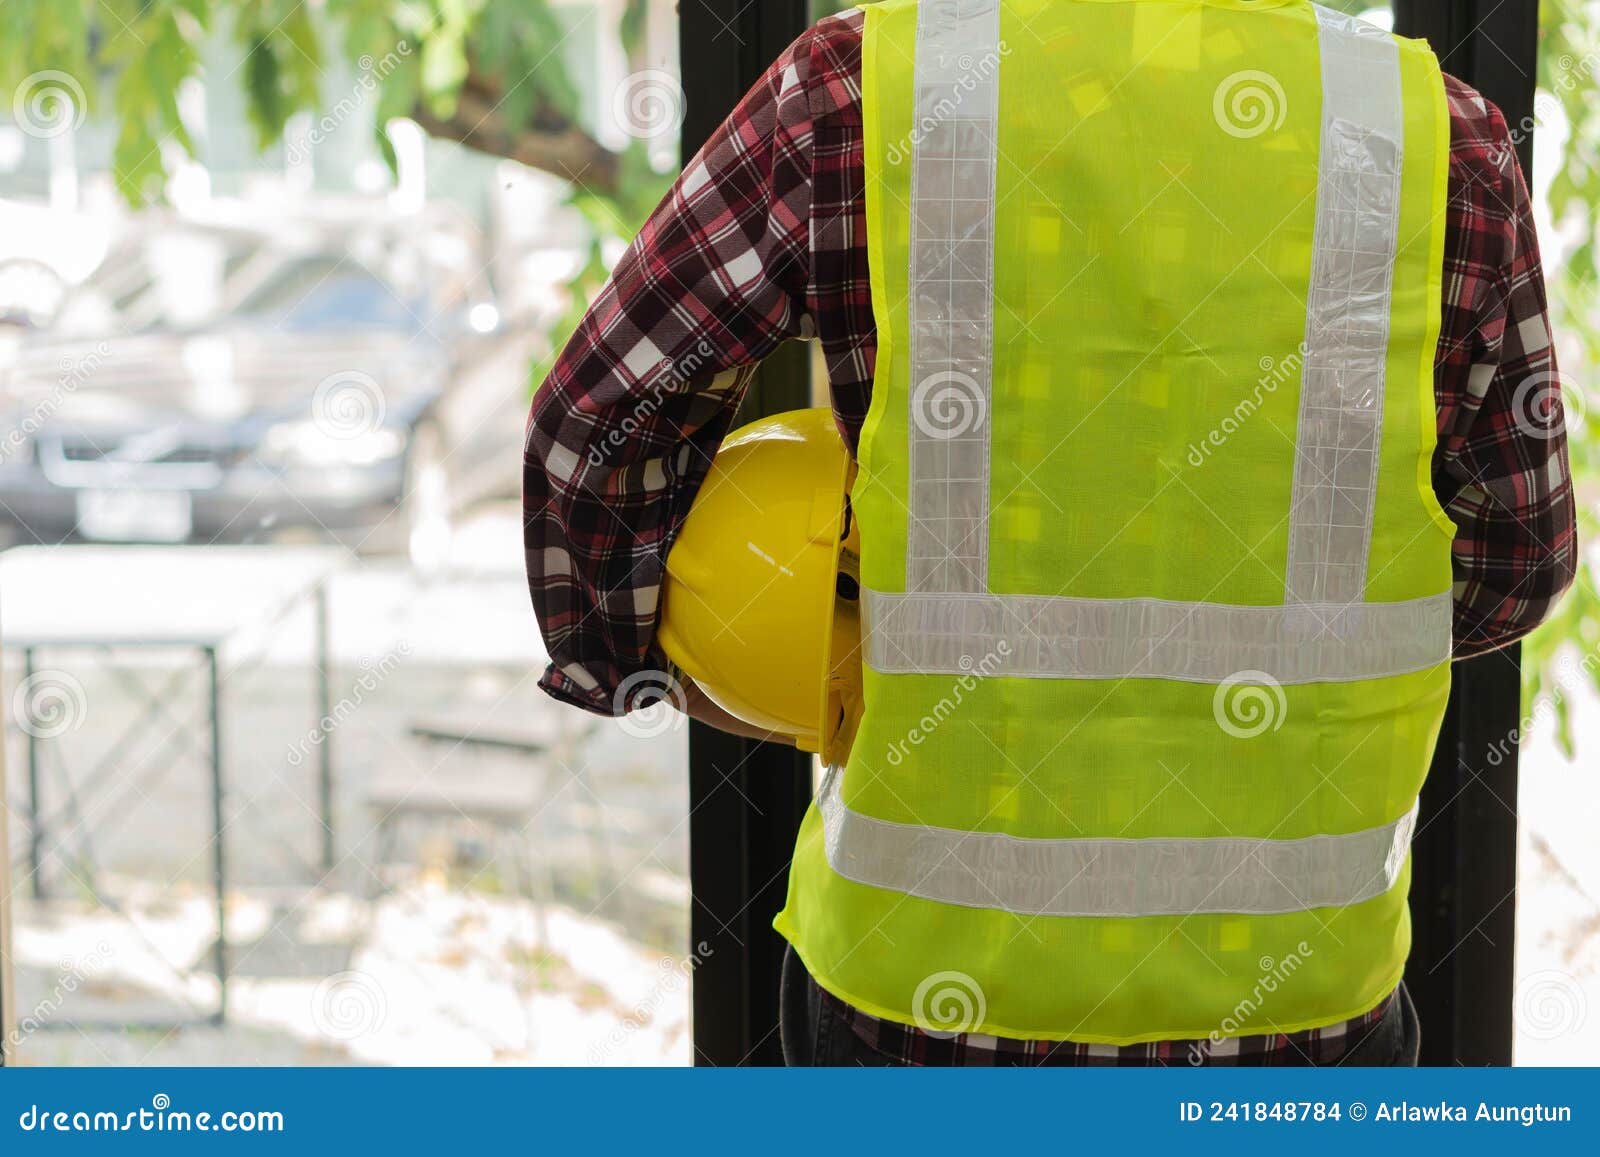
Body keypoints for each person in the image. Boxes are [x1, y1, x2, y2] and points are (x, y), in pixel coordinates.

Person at [525, 1, 1576, 1066]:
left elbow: (591, 426)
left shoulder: (854, 87)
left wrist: (655, 663)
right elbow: (1519, 562)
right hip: (1304, 1006)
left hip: (916, 1003)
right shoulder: (1434, 134)